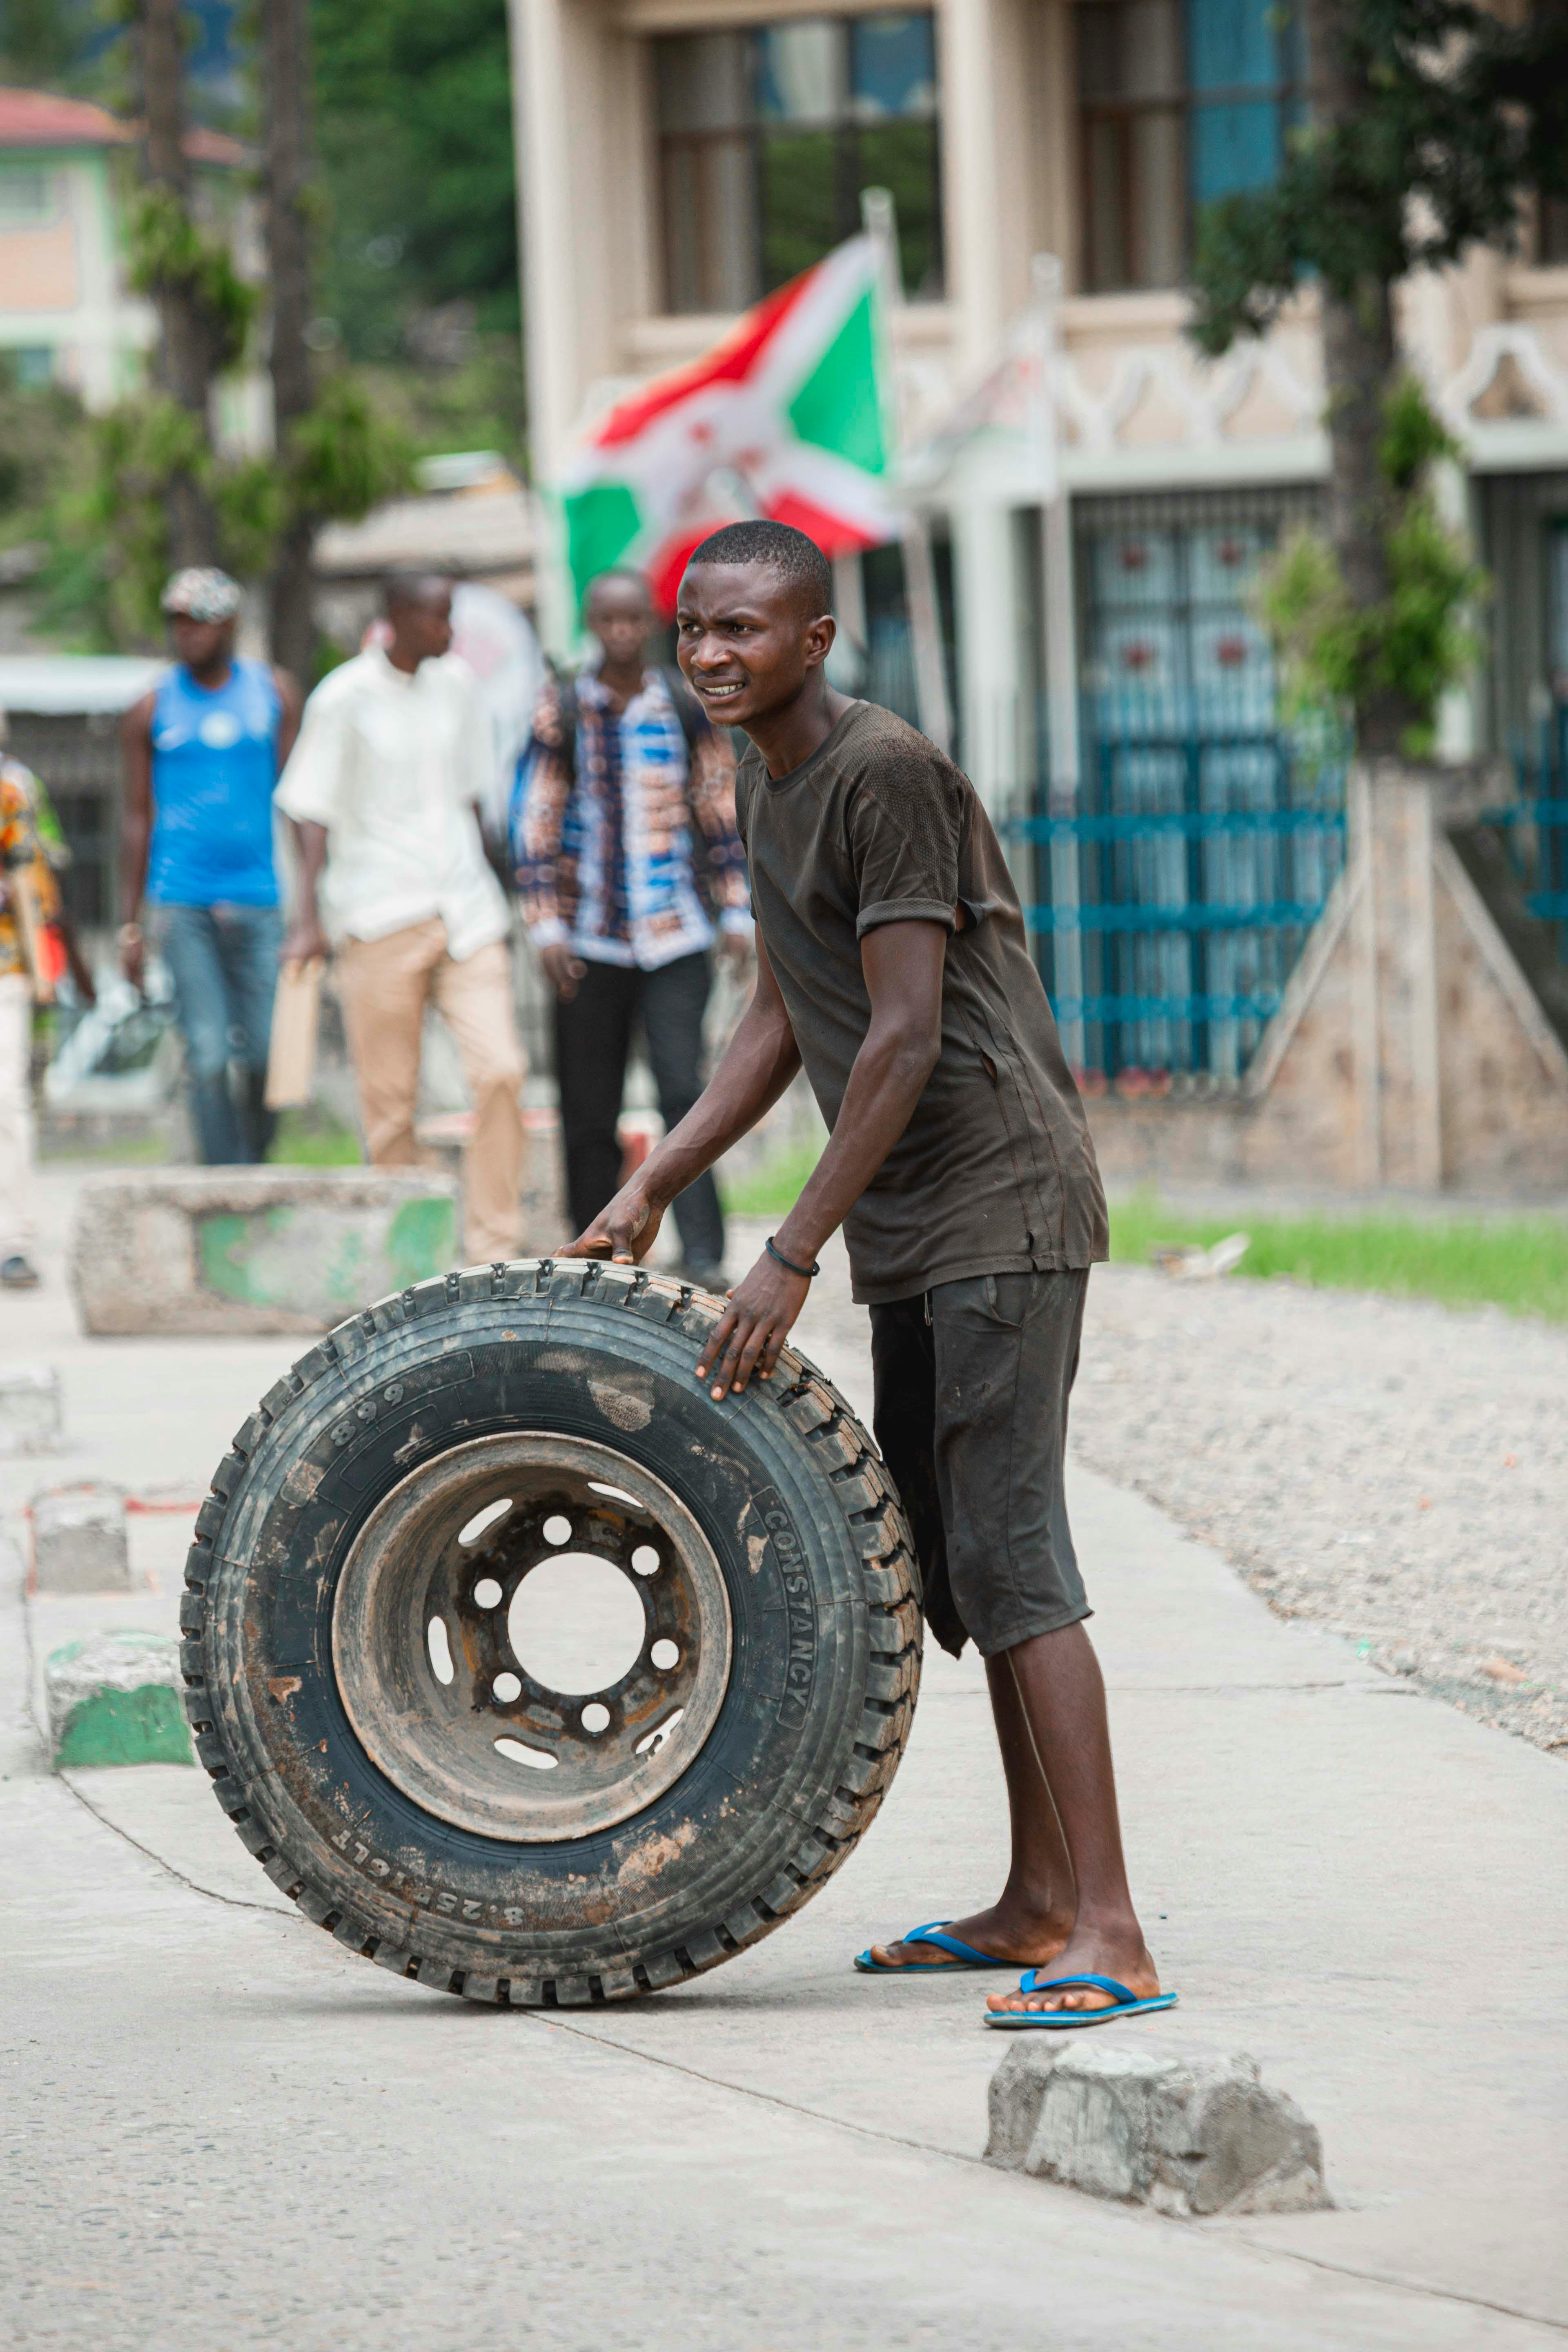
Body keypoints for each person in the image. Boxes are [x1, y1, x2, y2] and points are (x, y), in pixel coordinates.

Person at [562, 519, 1169, 2029]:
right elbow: (783, 1014)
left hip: (1000, 1208)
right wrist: (657, 1180)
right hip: (920, 1229)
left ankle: (1112, 1926)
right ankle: (1036, 1896)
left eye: (745, 631)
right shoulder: (765, 786)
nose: (711, 653)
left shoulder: (882, 774)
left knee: (1016, 1559)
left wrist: (787, 1251)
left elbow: (899, 1031)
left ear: (816, 640)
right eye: (698, 627)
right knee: (959, 1561)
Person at [275, 572, 527, 1263]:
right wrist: (307, 917)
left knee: (502, 1068)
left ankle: (492, 1249)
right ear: (394, 617)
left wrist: (503, 885)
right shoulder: (344, 698)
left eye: (451, 616)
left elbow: (475, 798)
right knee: (390, 1103)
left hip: (467, 908)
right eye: (435, 617)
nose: (448, 631)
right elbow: (310, 810)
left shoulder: (459, 689)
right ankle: (412, 1261)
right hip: (380, 911)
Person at [517, 568, 751, 1290]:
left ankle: (704, 1253)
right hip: (588, 941)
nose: (621, 634)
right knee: (590, 1106)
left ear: (648, 624)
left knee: (688, 1093)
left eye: (632, 622)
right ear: (593, 624)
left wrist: (739, 905)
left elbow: (718, 803)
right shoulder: (560, 710)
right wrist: (544, 928)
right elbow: (537, 817)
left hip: (674, 933)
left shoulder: (685, 706)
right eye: (608, 622)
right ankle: (593, 1252)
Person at [119, 568, 302, 1164]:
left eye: (198, 622)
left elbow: (300, 800)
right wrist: (130, 924)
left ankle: (257, 1164)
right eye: (177, 622)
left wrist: (313, 907)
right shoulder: (152, 707)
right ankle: (220, 1177)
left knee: (269, 1051)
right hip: (182, 898)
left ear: (229, 625)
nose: (186, 634)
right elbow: (135, 817)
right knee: (207, 1052)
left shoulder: (273, 694)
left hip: (259, 894)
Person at [0, 715, 95, 1289]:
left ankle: (13, 1239)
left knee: (6, 1100)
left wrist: (47, 970)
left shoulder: (11, 793)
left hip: (5, 964)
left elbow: (34, 883)